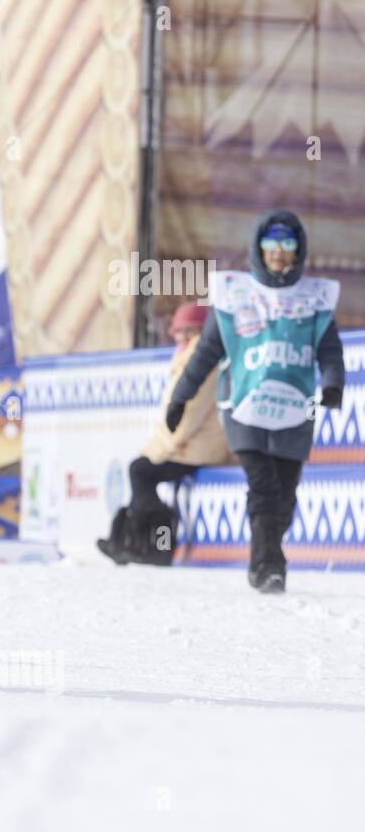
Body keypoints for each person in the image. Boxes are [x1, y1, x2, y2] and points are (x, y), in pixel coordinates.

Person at [167, 209, 345, 593]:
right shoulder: (235, 297)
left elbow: (330, 352)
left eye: (287, 243)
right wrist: (180, 398)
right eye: (271, 243)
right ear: (257, 248)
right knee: (262, 487)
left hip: (295, 409)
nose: (278, 251)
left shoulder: (314, 300)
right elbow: (206, 353)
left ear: (298, 250)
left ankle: (263, 555)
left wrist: (332, 385)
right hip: (244, 406)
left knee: (284, 496)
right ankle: (269, 567)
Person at [97, 301, 230, 565]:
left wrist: (160, 450)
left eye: (184, 331)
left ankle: (156, 545)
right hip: (189, 446)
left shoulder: (202, 361)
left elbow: (187, 415)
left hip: (198, 449)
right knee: (141, 471)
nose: (178, 337)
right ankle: (133, 543)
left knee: (141, 471)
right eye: (178, 331)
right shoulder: (187, 359)